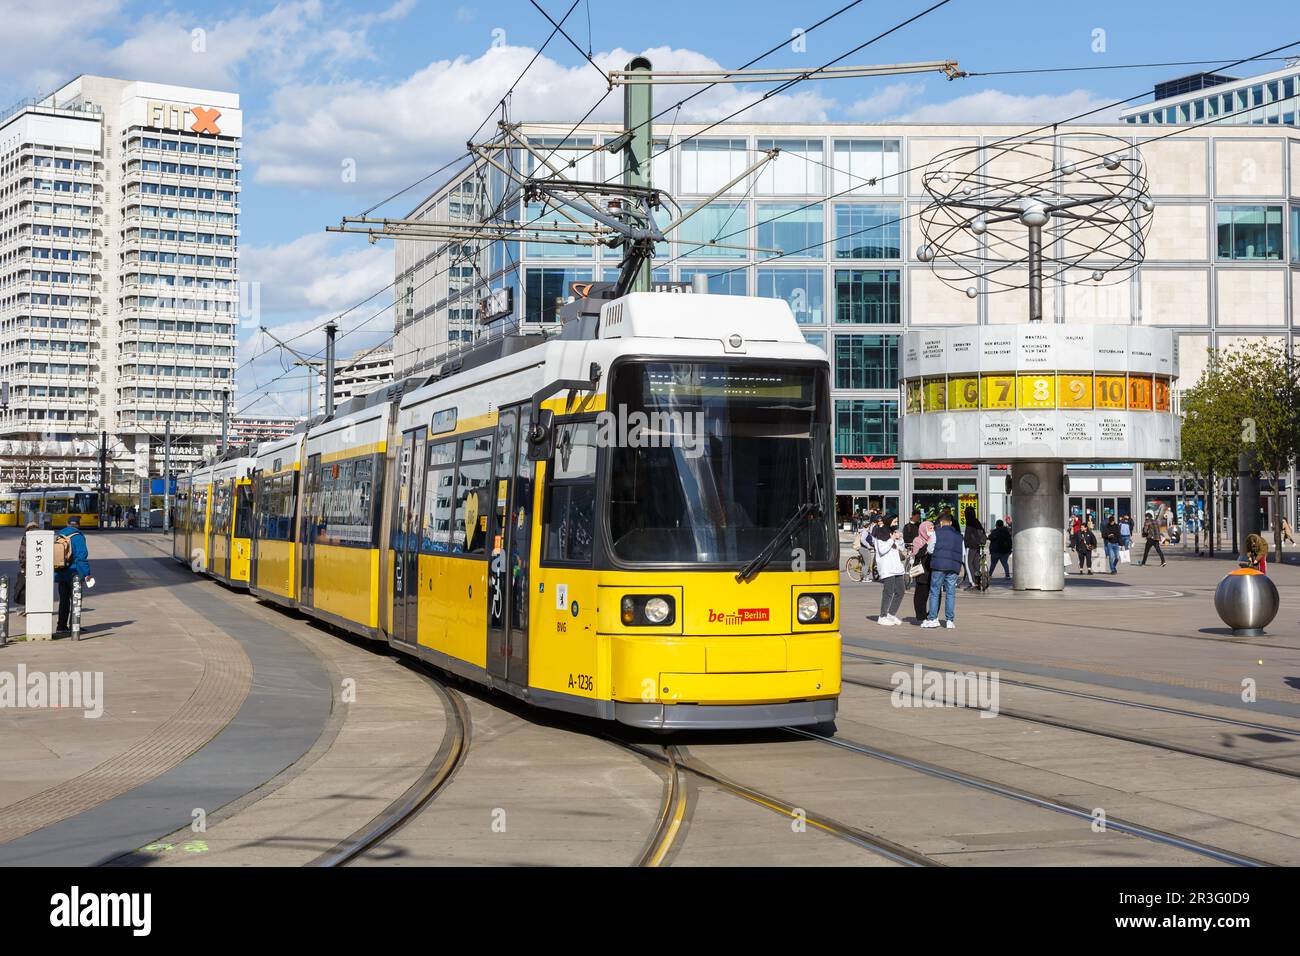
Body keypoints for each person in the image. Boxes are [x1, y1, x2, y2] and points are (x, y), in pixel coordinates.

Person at [922, 514, 963, 629]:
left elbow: (930, 550)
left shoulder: (936, 533)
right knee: (950, 593)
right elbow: (963, 553)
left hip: (939, 566)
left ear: (940, 523)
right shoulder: (959, 536)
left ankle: (933, 619)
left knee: (935, 591)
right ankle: (949, 620)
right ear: (950, 523)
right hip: (953, 566)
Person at [55, 515, 91, 634]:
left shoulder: (60, 535)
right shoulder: (78, 537)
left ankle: (61, 626)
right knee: (76, 599)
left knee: (64, 600)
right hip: (74, 573)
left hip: (60, 572)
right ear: (78, 524)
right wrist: (86, 574)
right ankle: (74, 625)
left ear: (67, 523)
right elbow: (81, 557)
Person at [872, 515, 906, 626]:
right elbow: (882, 550)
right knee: (888, 592)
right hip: (887, 567)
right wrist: (892, 539)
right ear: (889, 521)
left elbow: (901, 548)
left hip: (897, 567)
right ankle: (882, 616)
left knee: (901, 590)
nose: (896, 523)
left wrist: (899, 539)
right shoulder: (880, 533)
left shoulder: (893, 532)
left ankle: (891, 614)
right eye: (894, 521)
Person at [911, 520, 934, 623]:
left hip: (932, 570)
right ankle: (921, 616)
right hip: (922, 571)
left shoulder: (934, 539)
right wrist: (927, 545)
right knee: (921, 594)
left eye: (933, 528)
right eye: (930, 528)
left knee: (934, 594)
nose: (932, 530)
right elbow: (917, 554)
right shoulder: (917, 540)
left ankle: (932, 614)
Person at [961, 506, 986, 591]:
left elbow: (967, 536)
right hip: (977, 546)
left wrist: (965, 544)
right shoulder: (977, 521)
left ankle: (972, 583)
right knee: (976, 564)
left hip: (971, 546)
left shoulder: (970, 523)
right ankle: (978, 582)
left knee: (968, 564)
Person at [14, 520, 38, 604]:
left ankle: (28, 606)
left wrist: (23, 566)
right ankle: (34, 604)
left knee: (27, 587)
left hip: (28, 567)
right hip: (37, 567)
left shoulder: (26, 537)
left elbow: (22, 553)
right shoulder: (40, 537)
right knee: (35, 587)